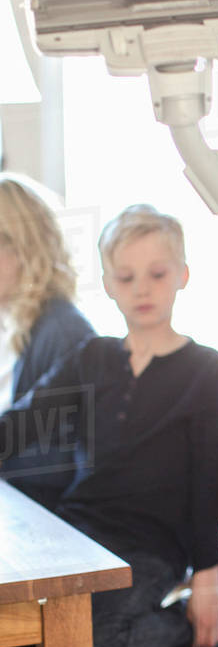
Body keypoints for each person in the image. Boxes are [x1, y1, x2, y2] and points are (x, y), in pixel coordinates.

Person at [0, 203, 218, 647]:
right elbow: (20, 425)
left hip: (151, 547)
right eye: (125, 277)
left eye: (156, 274)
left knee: (92, 645)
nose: (142, 289)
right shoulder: (92, 357)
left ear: (183, 275)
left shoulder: (204, 368)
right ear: (108, 285)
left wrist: (206, 582)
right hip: (75, 535)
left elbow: (209, 478)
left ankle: (182, 629)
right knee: (26, 631)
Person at [0, 173, 95, 507]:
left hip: (54, 529)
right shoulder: (28, 327)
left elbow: (64, 465)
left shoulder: (64, 333)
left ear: (25, 249)